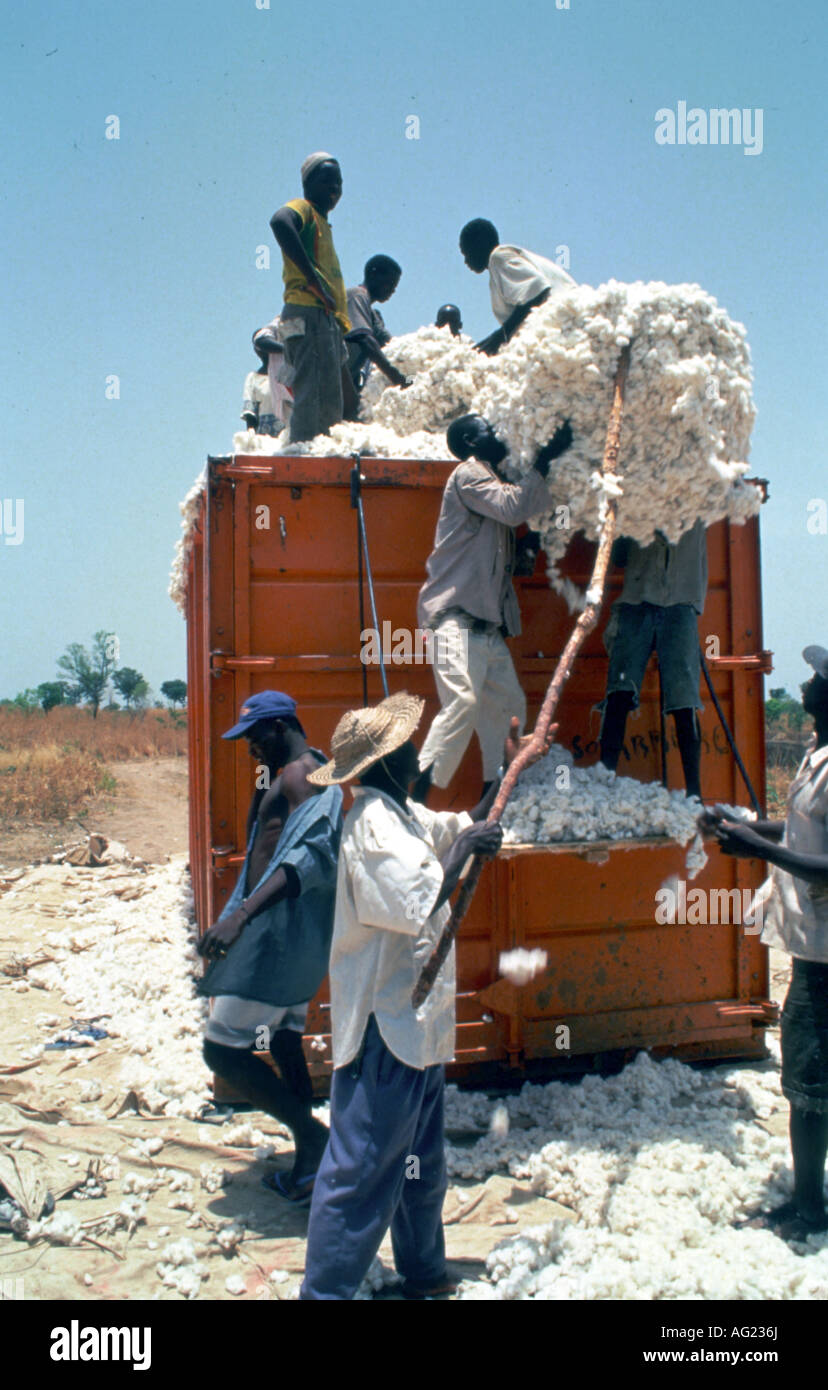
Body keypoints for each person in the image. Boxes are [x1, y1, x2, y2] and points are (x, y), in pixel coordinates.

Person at [299, 691, 549, 1300]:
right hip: (386, 1029)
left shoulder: (404, 813)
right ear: (387, 762)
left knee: (419, 1166)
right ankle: (325, 1292)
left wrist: (511, 768)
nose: (419, 751)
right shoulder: (372, 828)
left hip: (418, 1025)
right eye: (408, 745)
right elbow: (420, 901)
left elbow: (467, 825)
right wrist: (463, 853)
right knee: (361, 1171)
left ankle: (423, 1271)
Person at [197, 690, 343, 1202]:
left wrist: (240, 917)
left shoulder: (301, 775)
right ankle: (310, 1164)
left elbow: (310, 856)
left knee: (221, 1051)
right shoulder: (307, 770)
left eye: (256, 737)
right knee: (282, 1041)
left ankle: (312, 1137)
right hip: (289, 938)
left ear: (279, 726)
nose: (250, 749)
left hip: (274, 940)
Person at [703, 646, 828, 1241]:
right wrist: (746, 827)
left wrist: (762, 852)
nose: (806, 685)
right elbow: (803, 830)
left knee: (806, 1082)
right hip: (812, 946)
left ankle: (809, 1212)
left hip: (826, 955)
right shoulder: (815, 754)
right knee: (809, 1076)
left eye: (817, 680)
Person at [413, 413, 573, 802]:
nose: (498, 431)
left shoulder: (490, 478)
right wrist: (543, 460)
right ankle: (411, 801)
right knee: (462, 704)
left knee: (508, 708)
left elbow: (518, 516)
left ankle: (494, 796)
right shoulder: (469, 475)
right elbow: (513, 507)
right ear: (470, 441)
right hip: (453, 618)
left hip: (485, 625)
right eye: (487, 427)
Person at [598, 520, 707, 800]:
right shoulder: (634, 494)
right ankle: (602, 784)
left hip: (680, 603)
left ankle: (695, 794)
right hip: (638, 600)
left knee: (684, 701)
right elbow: (619, 556)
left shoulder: (701, 487)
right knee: (618, 695)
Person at [269, 153, 354, 442]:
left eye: (339, 182)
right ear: (307, 184)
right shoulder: (303, 209)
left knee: (324, 398)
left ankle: (318, 458)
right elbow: (280, 221)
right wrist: (313, 280)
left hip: (320, 319)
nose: (335, 188)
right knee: (314, 396)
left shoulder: (321, 222)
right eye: (326, 180)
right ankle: (306, 464)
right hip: (309, 314)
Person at [459, 218, 575, 355]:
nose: (466, 261)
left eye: (466, 253)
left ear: (479, 245)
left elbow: (536, 290)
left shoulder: (499, 257)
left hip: (565, 325)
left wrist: (499, 337)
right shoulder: (500, 264)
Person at [344, 255, 409, 403]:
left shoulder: (372, 314)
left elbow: (391, 346)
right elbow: (366, 342)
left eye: (395, 286)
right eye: (389, 283)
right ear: (373, 275)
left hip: (345, 383)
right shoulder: (356, 296)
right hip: (328, 380)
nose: (392, 290)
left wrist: (413, 378)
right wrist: (398, 379)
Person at [241, 325, 293, 436]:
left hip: (289, 435)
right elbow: (250, 412)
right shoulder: (253, 378)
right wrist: (251, 437)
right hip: (265, 438)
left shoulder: (288, 374)